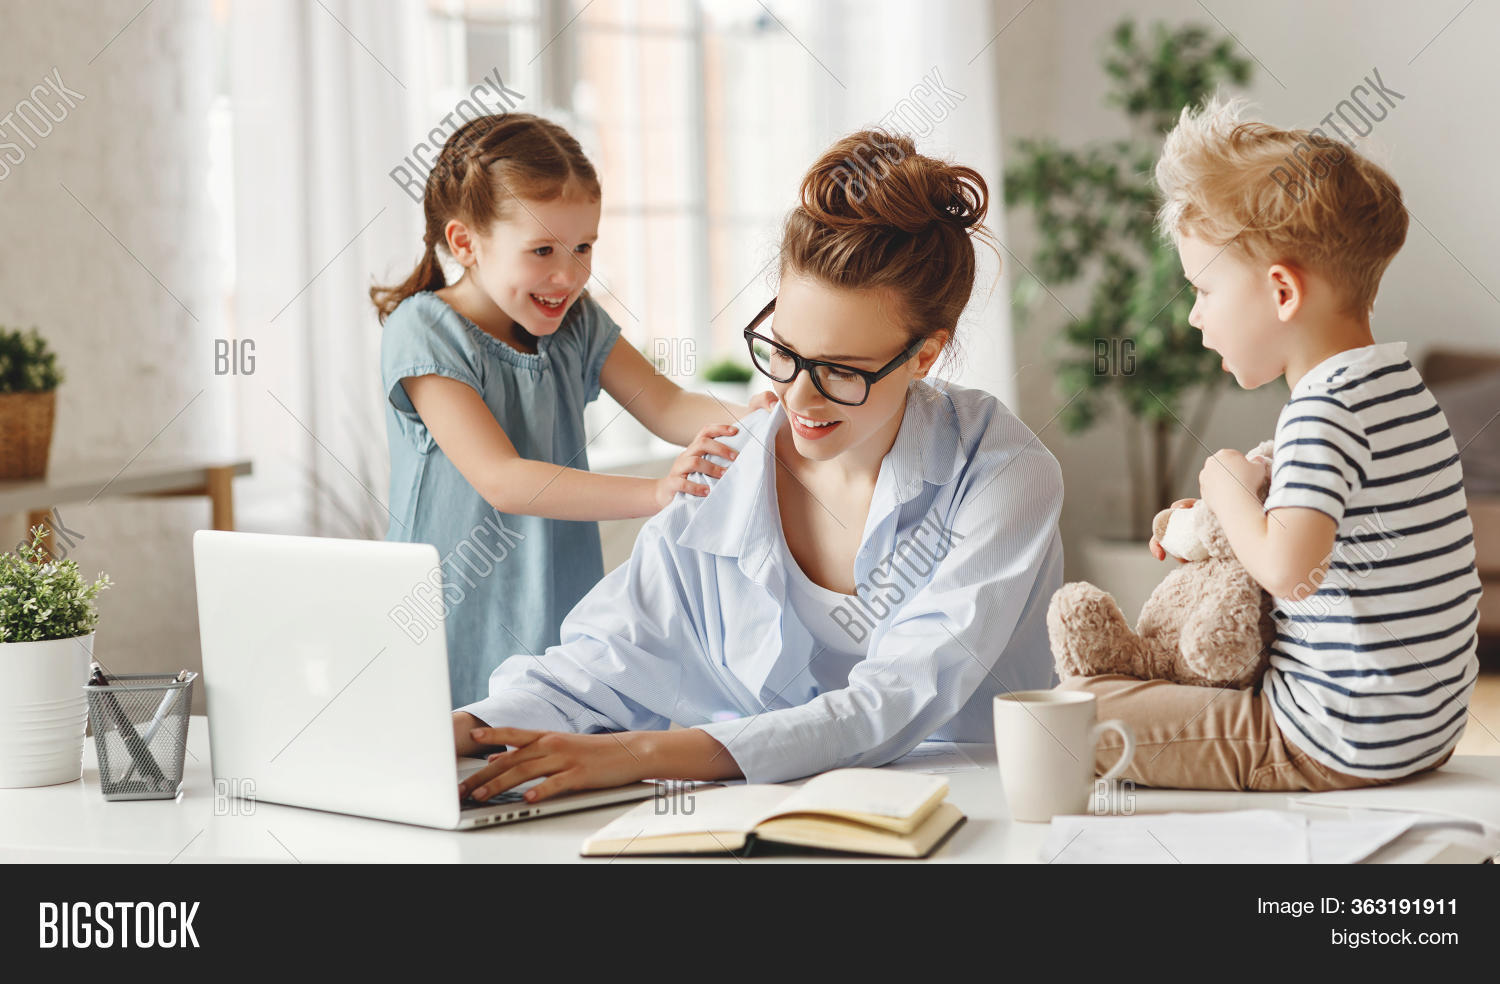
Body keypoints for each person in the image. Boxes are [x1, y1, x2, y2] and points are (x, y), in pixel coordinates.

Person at [453, 129, 1066, 803]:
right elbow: (611, 653)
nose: (794, 397)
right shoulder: (730, 464)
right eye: (784, 351)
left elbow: (894, 700)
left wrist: (640, 755)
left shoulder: (1004, 476)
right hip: (771, 816)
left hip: (975, 814)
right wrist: (467, 729)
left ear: (923, 356)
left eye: (839, 371)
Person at [1060, 96, 1480, 790]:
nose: (1194, 317)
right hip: (1422, 729)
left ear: (1281, 291)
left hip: (1328, 737)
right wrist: (1225, 513)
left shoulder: (1323, 411)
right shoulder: (1398, 391)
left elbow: (1291, 573)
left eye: (1202, 290)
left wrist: (1227, 487)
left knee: (1075, 716)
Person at [372, 113, 773, 706]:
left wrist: (761, 416)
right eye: (542, 250)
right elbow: (502, 480)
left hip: (558, 608)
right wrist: (655, 495)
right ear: (466, 244)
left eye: (584, 246)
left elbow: (666, 405)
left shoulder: (576, 323)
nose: (568, 274)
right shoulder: (424, 331)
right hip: (453, 615)